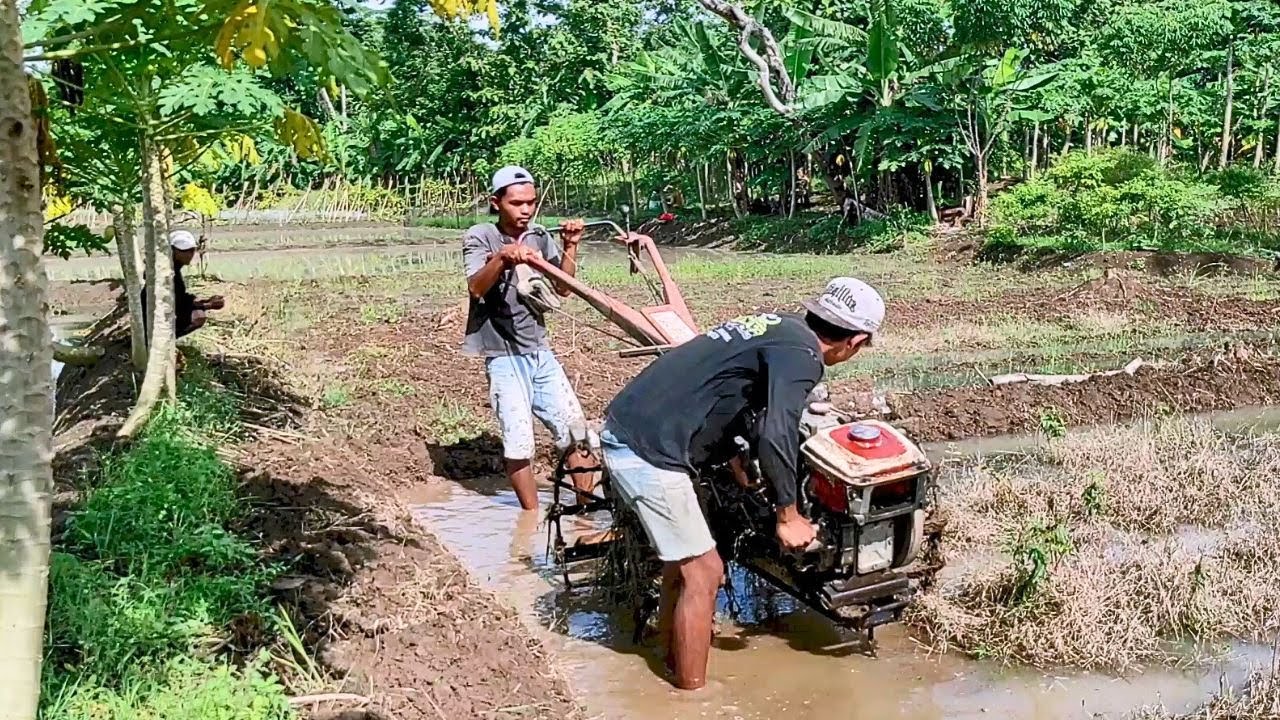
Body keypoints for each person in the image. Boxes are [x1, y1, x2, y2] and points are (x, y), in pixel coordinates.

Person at [599, 277, 886, 691]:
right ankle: (691, 698)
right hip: (648, 449)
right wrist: (788, 515)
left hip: (632, 424)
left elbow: (733, 392)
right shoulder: (804, 356)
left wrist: (734, 455)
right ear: (855, 341)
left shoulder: (783, 327)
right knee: (705, 572)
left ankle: (669, 652)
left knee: (683, 564)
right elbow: (776, 432)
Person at [462, 165, 597, 511]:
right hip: (503, 355)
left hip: (540, 351)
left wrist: (571, 246)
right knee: (519, 441)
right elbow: (476, 287)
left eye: (531, 203)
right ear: (496, 203)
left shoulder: (538, 235)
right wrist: (503, 257)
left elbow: (563, 288)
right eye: (517, 203)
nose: (526, 210)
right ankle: (532, 519)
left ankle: (586, 511)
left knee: (576, 432)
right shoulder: (481, 236)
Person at [141, 230, 223, 338]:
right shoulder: (167, 272)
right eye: (185, 251)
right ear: (173, 251)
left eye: (192, 250)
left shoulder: (172, 267)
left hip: (160, 311)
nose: (190, 254)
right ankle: (164, 339)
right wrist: (208, 305)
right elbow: (176, 304)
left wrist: (205, 301)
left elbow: (179, 297)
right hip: (155, 316)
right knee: (198, 316)